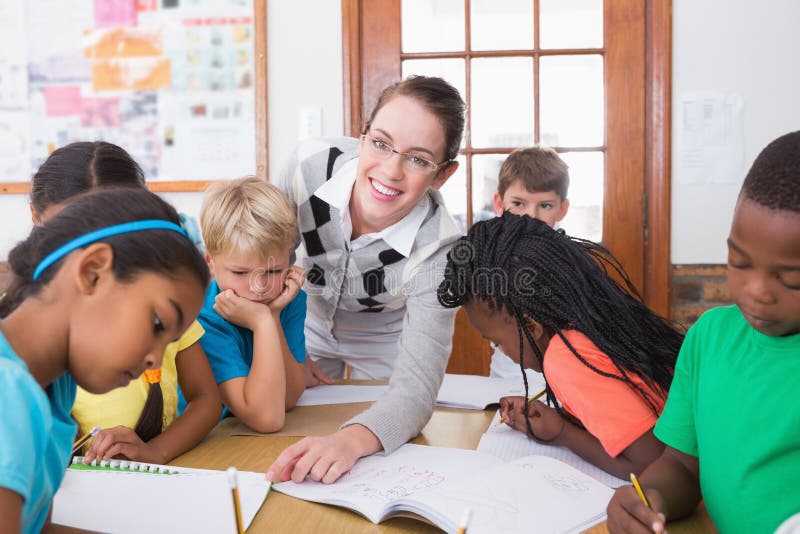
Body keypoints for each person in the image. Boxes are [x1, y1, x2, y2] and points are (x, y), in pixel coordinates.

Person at [267, 75, 464, 484]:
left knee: (383, 443)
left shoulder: (441, 248)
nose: (390, 171)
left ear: (442, 175)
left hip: (385, 334)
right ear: (362, 137)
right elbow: (264, 268)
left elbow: (415, 392)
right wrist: (289, 350)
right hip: (307, 317)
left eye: (418, 159)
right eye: (380, 143)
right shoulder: (306, 168)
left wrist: (349, 442)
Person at [607, 131, 800, 534]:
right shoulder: (709, 338)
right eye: (739, 262)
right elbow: (682, 466)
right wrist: (649, 498)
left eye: (792, 280)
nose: (757, 291)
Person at [0, 188, 209, 533]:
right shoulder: (9, 392)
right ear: (94, 271)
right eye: (158, 323)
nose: (155, 360)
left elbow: (37, 527)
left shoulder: (55, 387)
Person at [437, 212, 684, 479]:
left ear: (532, 327)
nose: (500, 352)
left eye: (497, 342)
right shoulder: (588, 322)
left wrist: (563, 435)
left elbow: (654, 465)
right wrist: (563, 421)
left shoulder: (565, 357)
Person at [27, 141, 220, 465]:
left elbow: (206, 399)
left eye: (111, 233)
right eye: (73, 231)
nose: (93, 253)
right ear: (37, 216)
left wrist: (157, 451)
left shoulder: (158, 298)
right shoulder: (27, 332)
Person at [194, 177, 306, 432]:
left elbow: (288, 398)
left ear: (289, 261)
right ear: (210, 262)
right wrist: (263, 321)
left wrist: (273, 316)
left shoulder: (288, 300)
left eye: (274, 271)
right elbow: (267, 418)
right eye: (240, 273)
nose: (259, 288)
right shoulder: (204, 318)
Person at [488, 146, 570, 379]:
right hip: (503, 376)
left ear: (562, 209)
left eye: (544, 205)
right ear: (499, 203)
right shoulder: (490, 256)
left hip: (558, 379)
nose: (531, 216)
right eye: (518, 204)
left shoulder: (570, 262)